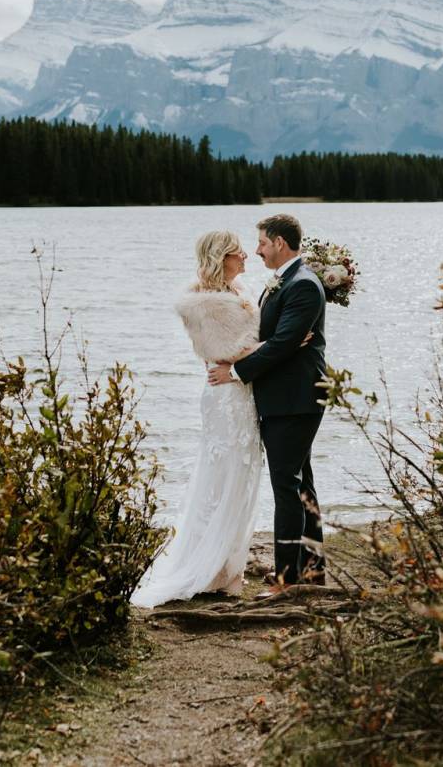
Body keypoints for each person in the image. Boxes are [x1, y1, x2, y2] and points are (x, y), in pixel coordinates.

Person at [128, 231, 269, 607]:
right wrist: (282, 343)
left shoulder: (236, 290)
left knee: (241, 476)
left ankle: (228, 566)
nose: (246, 257)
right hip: (227, 398)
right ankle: (214, 569)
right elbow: (233, 350)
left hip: (239, 392)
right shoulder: (206, 303)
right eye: (238, 252)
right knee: (226, 476)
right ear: (221, 257)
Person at [207, 213, 326, 594]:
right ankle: (311, 572)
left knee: (286, 488)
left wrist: (236, 371)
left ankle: (286, 582)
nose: (256, 250)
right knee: (301, 484)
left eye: (261, 242)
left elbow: (282, 344)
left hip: (294, 399)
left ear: (279, 242)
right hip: (287, 398)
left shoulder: (303, 285)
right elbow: (275, 338)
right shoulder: (285, 282)